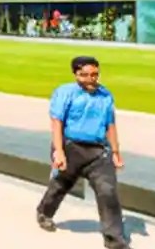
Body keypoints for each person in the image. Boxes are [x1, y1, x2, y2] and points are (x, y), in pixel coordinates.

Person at [36, 56, 129, 249]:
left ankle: (114, 240)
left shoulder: (105, 95)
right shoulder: (65, 93)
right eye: (84, 75)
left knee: (108, 191)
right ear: (75, 74)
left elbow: (110, 124)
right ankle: (44, 212)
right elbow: (57, 123)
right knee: (60, 185)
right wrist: (59, 152)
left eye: (94, 74)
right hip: (71, 147)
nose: (90, 79)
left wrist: (115, 151)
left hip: (98, 152)